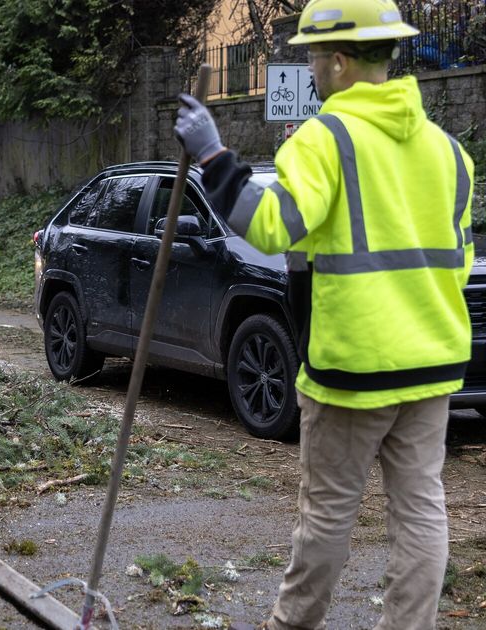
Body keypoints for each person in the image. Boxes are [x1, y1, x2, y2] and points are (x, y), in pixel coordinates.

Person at [174, 0, 474, 627]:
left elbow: (270, 225)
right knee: (421, 509)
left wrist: (212, 157)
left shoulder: (326, 139)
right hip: (431, 364)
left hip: (352, 368)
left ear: (338, 61)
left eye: (311, 55)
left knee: (329, 513)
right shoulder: (450, 153)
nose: (309, 67)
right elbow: (450, 258)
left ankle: (293, 624)